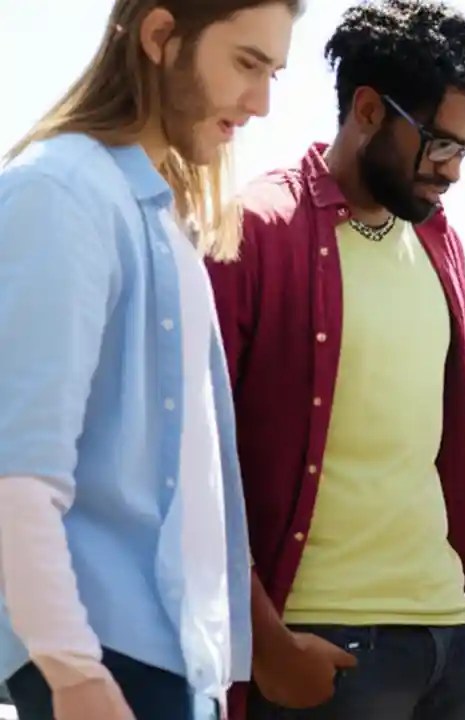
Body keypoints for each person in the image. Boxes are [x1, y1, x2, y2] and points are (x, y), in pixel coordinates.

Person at [204, 2, 465, 719]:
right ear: (369, 110)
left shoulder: (439, 242)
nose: (452, 171)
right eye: (439, 145)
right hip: (325, 643)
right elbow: (197, 459)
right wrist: (267, 644)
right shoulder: (254, 231)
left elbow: (440, 439)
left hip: (449, 640)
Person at [0, 2, 298, 719]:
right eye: (246, 64)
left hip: (172, 659)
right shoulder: (59, 192)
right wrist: (71, 668)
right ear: (161, 36)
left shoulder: (161, 215)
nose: (260, 103)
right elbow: (17, 466)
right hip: (104, 662)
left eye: (273, 73)